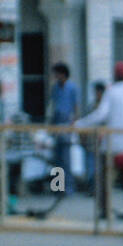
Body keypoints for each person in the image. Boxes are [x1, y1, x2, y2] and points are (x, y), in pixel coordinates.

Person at [76, 62, 123, 217]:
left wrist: (80, 124)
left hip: (111, 146)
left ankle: (105, 212)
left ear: (115, 75)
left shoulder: (111, 92)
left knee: (105, 182)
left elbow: (101, 114)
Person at [48, 63, 79, 197]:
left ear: (63, 74)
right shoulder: (55, 88)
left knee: (66, 158)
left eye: (57, 73)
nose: (55, 76)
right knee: (57, 158)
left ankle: (69, 187)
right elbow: (53, 105)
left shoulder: (72, 88)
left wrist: (74, 123)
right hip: (57, 122)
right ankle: (58, 186)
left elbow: (76, 106)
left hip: (67, 122)